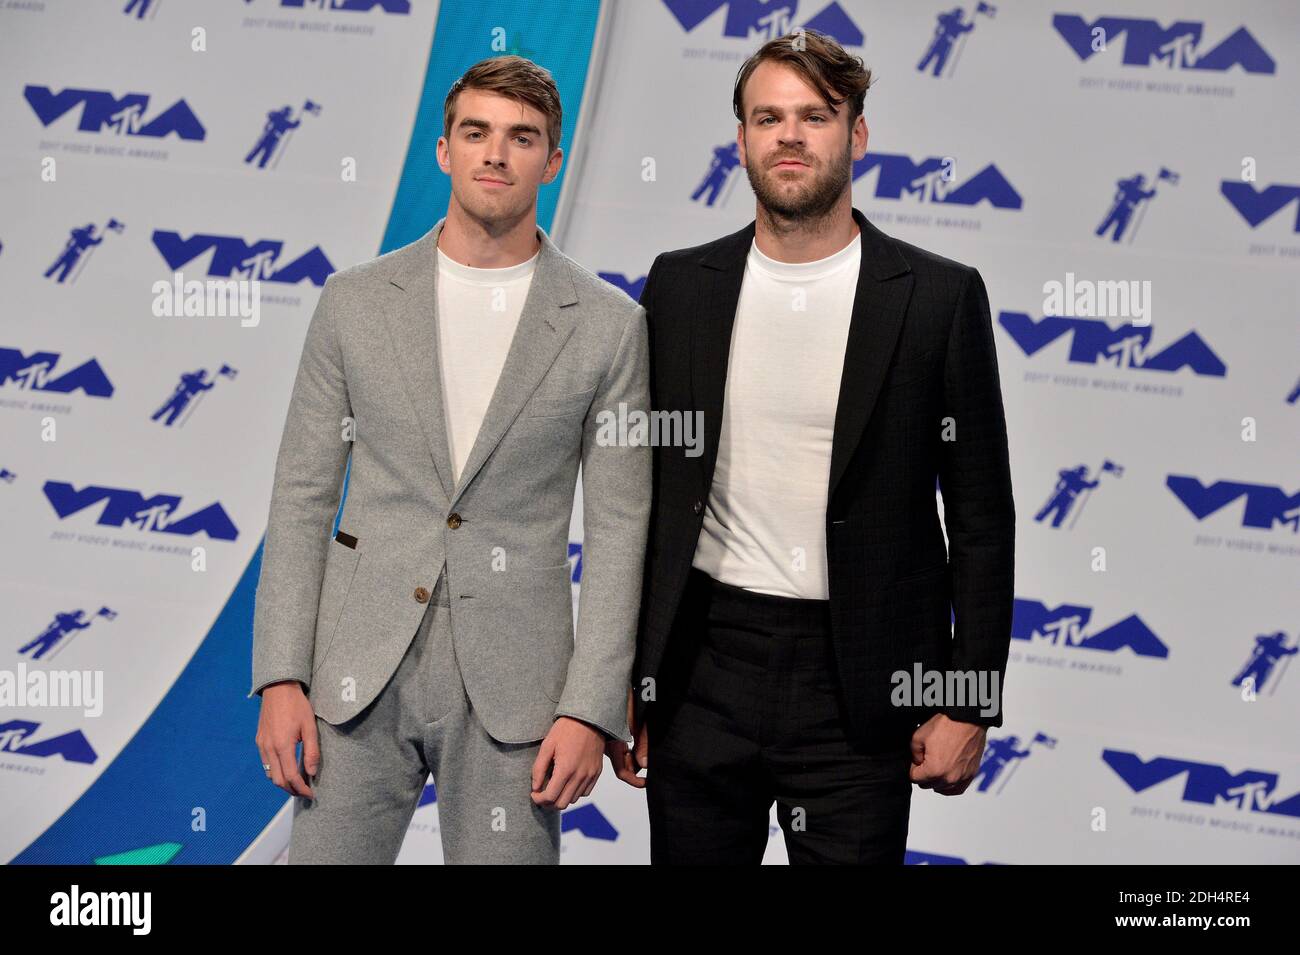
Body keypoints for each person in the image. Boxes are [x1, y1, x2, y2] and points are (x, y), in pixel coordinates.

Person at [609, 30, 1016, 864]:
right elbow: (644, 497)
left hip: (860, 688)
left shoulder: (938, 298)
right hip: (700, 673)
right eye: (769, 117)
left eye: (815, 116)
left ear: (856, 135)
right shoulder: (681, 285)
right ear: (742, 141)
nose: (790, 135)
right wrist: (627, 671)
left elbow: (980, 515)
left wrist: (970, 700)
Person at [249, 55, 650, 864]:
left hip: (520, 685)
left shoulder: (609, 325)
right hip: (354, 671)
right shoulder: (354, 301)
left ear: (553, 160)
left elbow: (620, 529)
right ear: (444, 149)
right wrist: (281, 676)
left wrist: (591, 706)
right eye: (477, 132)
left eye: (521, 137)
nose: (496, 153)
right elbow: (301, 496)